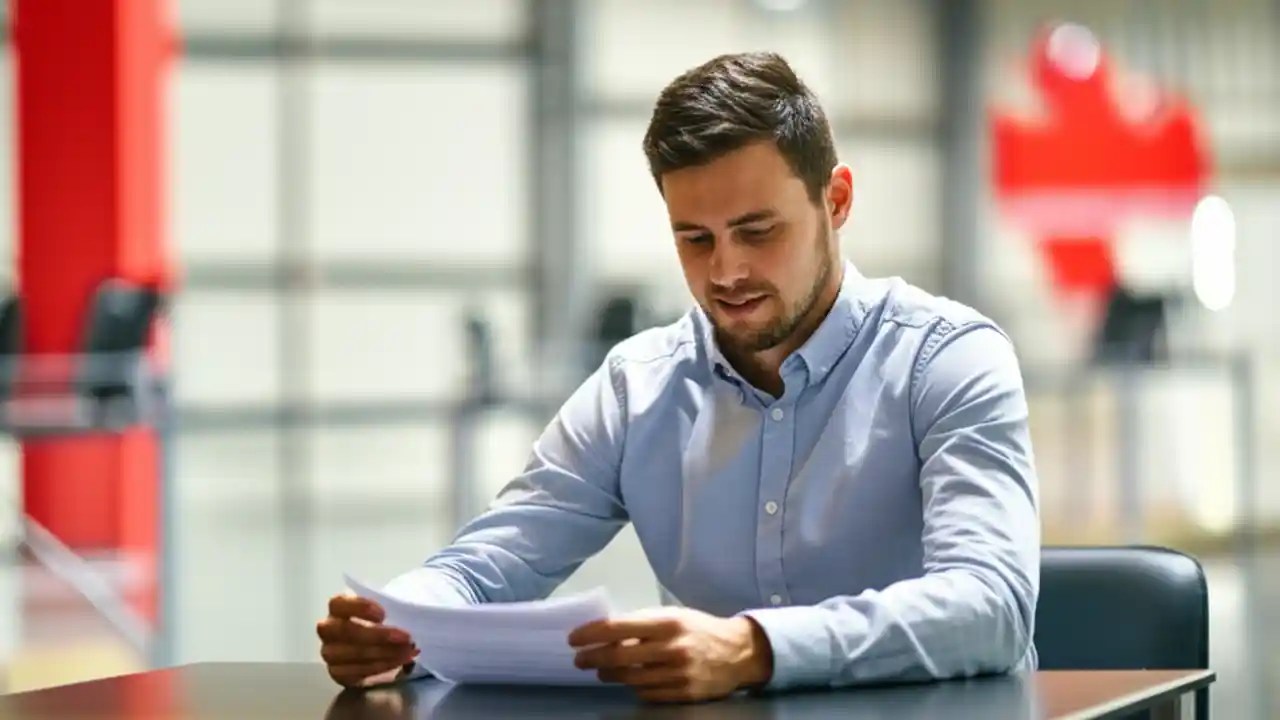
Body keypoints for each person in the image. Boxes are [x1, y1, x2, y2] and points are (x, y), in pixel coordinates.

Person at [316, 51, 1040, 703]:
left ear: (837, 201)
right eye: (694, 239)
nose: (726, 272)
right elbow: (484, 568)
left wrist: (754, 647)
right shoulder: (639, 386)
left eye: (759, 232)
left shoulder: (948, 360)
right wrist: (397, 624)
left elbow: (990, 606)